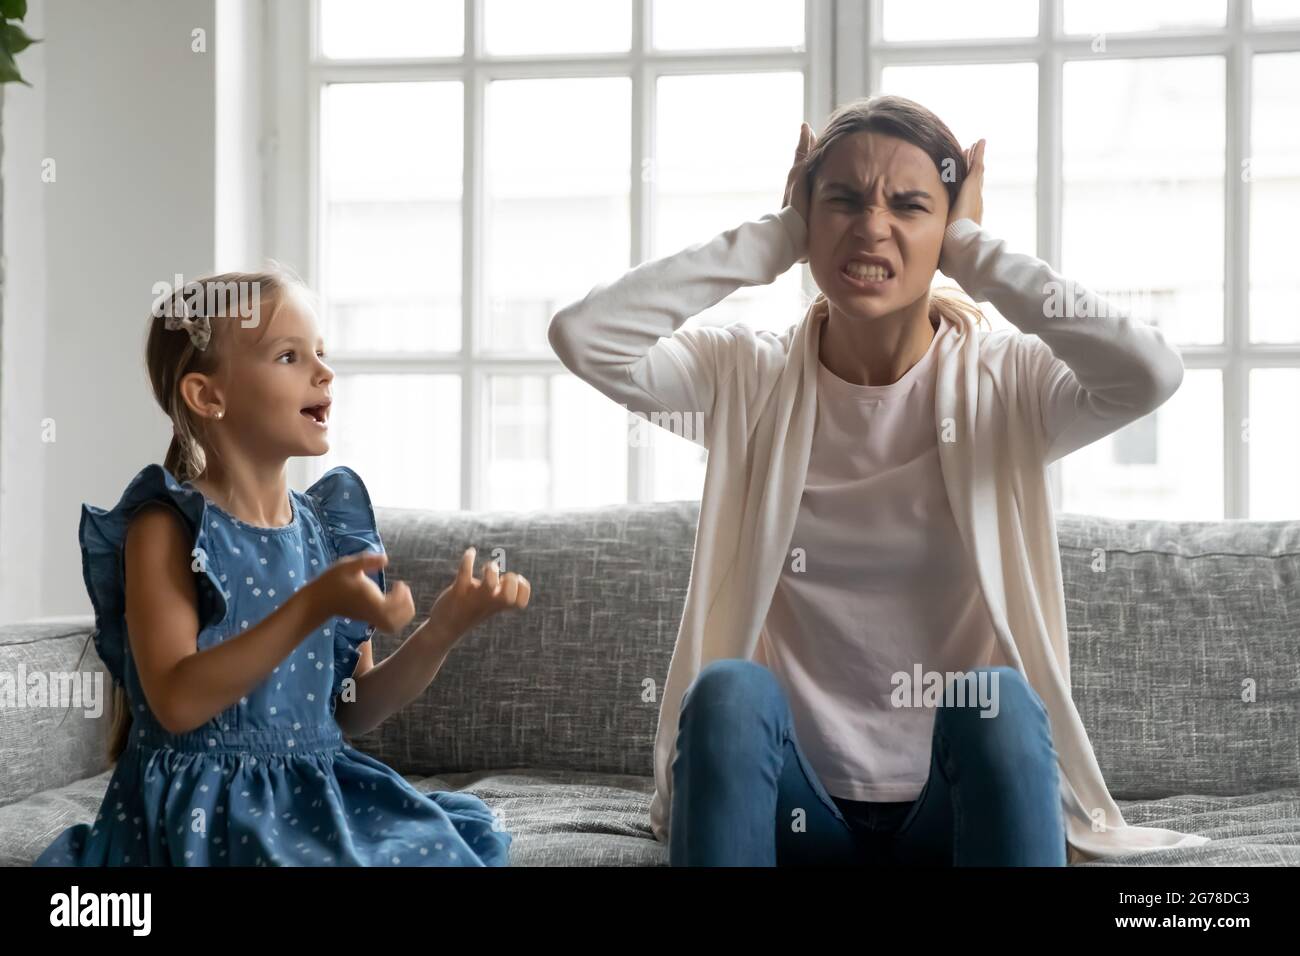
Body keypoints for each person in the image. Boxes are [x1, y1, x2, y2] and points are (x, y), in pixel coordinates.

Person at [548, 95, 1211, 865]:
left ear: (950, 228)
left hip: (951, 807)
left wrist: (976, 251)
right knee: (728, 692)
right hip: (795, 808)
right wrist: (772, 239)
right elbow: (585, 337)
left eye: (910, 205)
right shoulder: (745, 376)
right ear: (806, 216)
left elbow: (1150, 373)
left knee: (994, 700)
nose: (871, 226)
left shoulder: (1009, 385)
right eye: (844, 201)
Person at [37, 269, 530, 866]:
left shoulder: (329, 529)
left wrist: (442, 629)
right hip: (204, 808)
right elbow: (176, 703)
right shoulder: (167, 527)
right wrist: (312, 605)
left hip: (316, 793)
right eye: (290, 356)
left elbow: (352, 710)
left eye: (321, 352)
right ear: (207, 396)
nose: (323, 372)